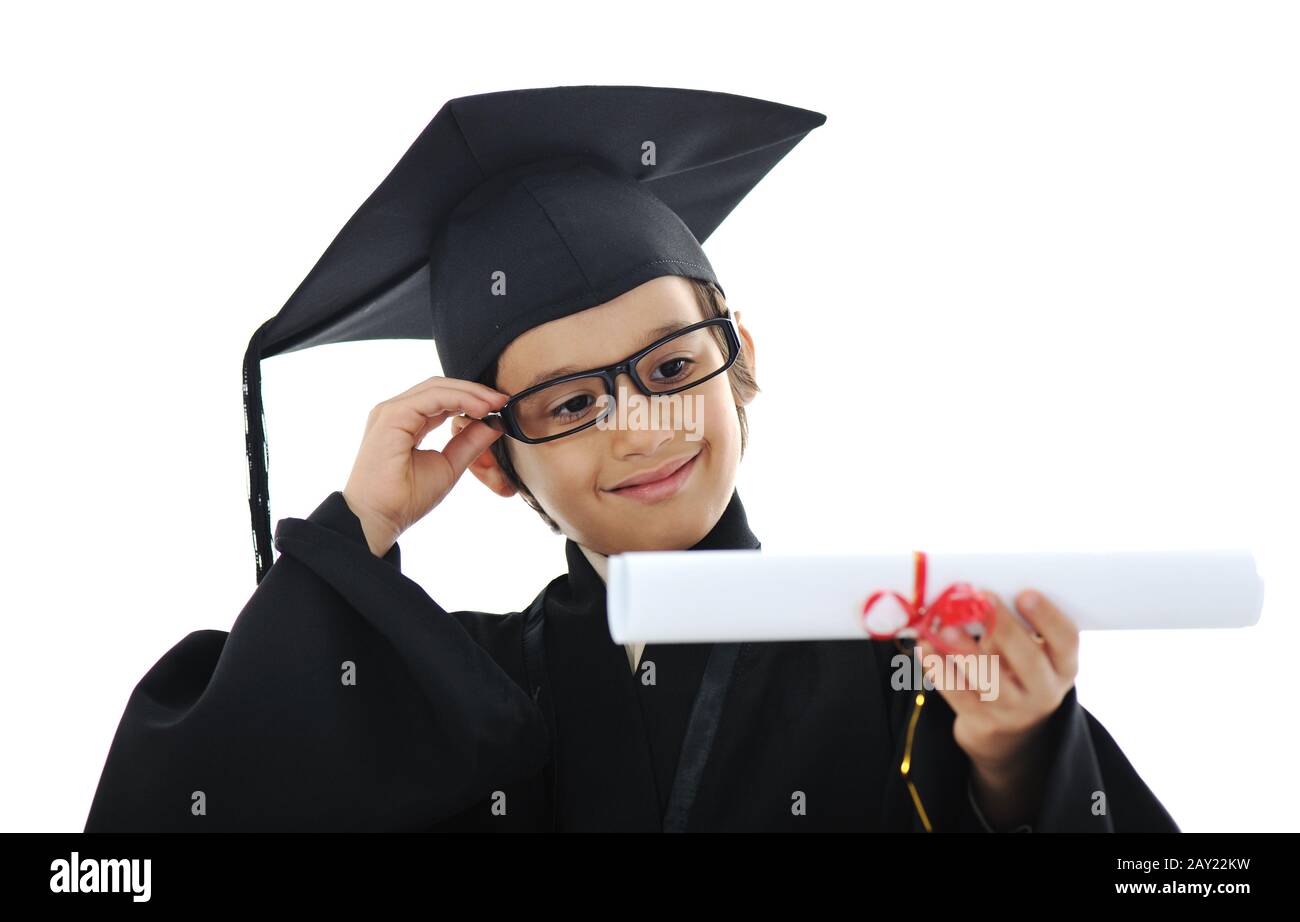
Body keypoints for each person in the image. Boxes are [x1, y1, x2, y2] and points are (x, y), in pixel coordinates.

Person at [83, 85, 1179, 833]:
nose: (639, 427)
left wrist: (1016, 757)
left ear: (740, 363)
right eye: (566, 403)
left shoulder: (911, 665)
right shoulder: (453, 692)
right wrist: (357, 532)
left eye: (667, 369)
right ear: (495, 459)